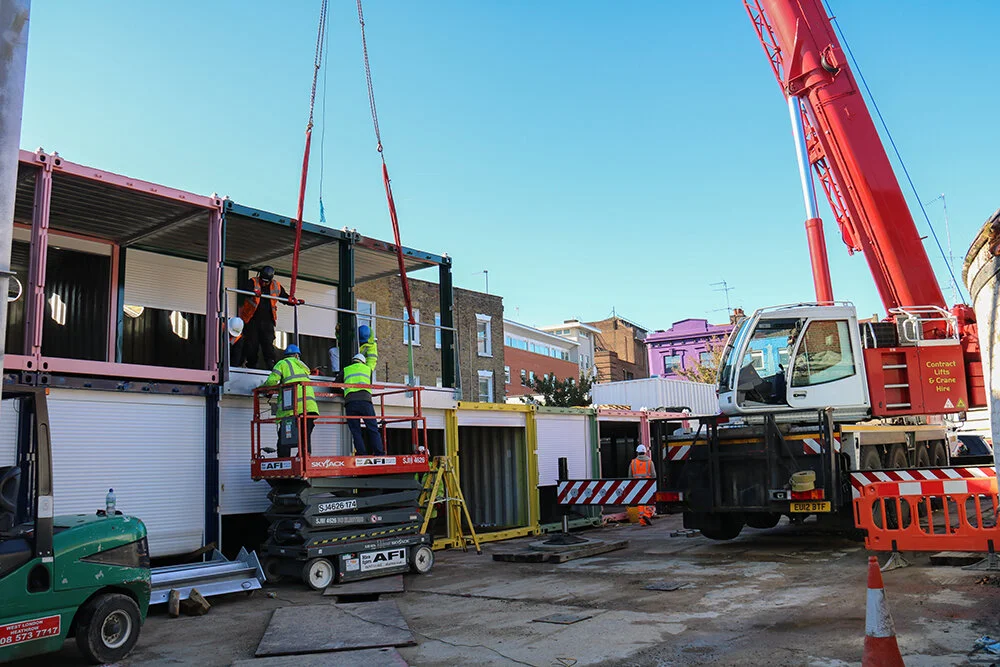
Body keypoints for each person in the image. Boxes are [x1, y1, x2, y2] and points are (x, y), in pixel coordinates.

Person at [263, 344, 318, 457]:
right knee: (305, 437)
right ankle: (305, 460)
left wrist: (264, 389)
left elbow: (271, 381)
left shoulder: (282, 363)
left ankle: (284, 465)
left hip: (293, 409)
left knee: (285, 439)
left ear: (285, 356)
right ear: (297, 356)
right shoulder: (303, 368)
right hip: (310, 408)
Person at [240, 266, 289, 370]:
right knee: (252, 344)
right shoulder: (253, 282)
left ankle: (271, 366)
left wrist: (292, 301)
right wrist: (253, 291)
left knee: (268, 344)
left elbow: (284, 297)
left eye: (266, 282)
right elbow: (244, 290)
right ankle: (251, 365)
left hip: (268, 321)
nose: (264, 284)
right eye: (262, 281)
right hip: (252, 319)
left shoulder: (276, 286)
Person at [342, 351, 385, 456]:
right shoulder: (368, 370)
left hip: (350, 403)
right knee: (373, 428)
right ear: (363, 362)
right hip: (365, 401)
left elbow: (334, 385)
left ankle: (362, 453)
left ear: (353, 361)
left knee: (356, 431)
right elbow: (369, 384)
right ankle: (379, 453)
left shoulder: (346, 370)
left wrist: (343, 392)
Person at [629, 444, 656, 526]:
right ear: (645, 452)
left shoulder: (633, 462)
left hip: (637, 485)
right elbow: (653, 474)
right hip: (647, 485)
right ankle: (647, 515)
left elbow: (630, 475)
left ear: (637, 452)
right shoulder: (650, 462)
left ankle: (642, 521)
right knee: (650, 502)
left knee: (640, 503)